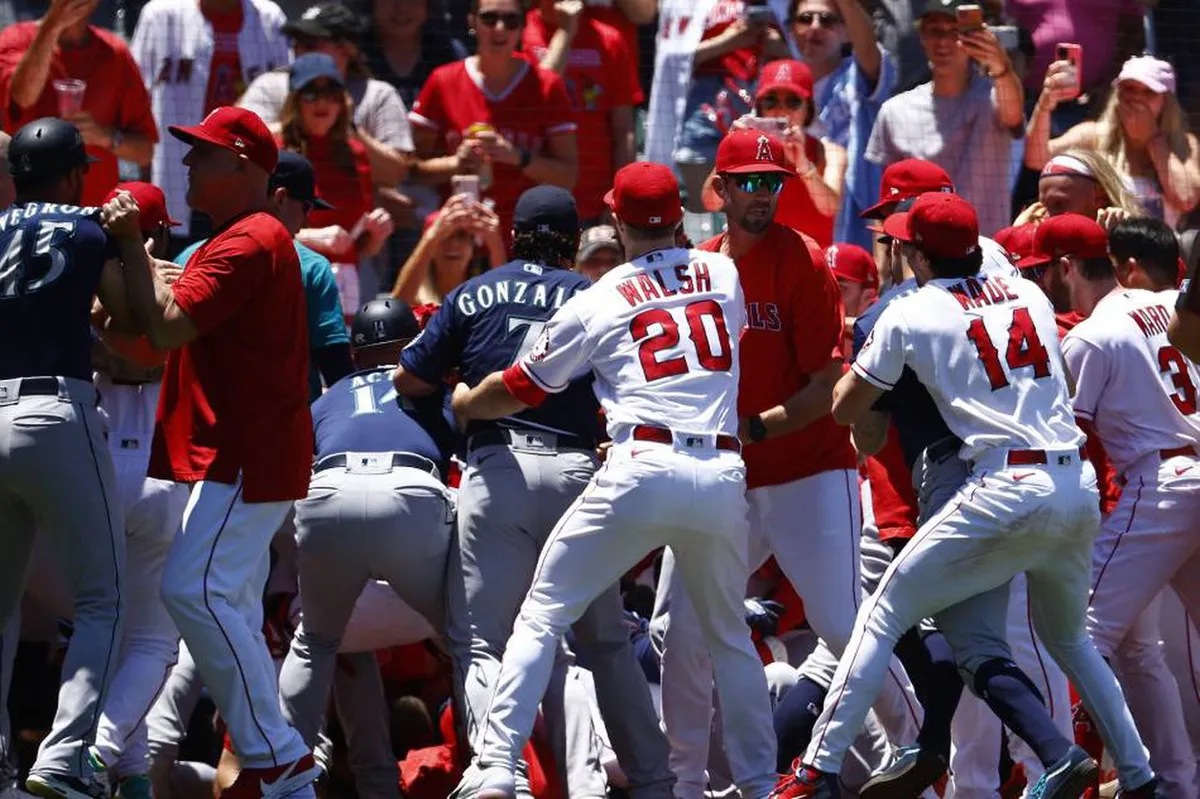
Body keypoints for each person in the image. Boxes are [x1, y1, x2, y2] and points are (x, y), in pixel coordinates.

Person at [770, 192, 1159, 799]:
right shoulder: (1027, 293)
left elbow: (847, 405)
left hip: (1001, 483)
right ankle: (1138, 776)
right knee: (1068, 641)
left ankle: (816, 767)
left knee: (880, 614)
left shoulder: (912, 310)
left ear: (916, 254)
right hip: (1072, 482)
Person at [447, 161, 779, 799]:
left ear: (617, 222)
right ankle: (761, 783)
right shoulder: (724, 273)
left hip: (640, 467)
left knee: (542, 615)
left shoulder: (597, 297)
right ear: (678, 218)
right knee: (728, 636)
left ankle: (494, 768)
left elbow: (520, 389)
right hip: (718, 472)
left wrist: (465, 403)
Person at [649, 129, 914, 798]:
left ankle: (922, 756)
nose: (762, 193)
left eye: (772, 181)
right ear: (722, 187)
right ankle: (683, 781)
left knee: (841, 625)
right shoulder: (703, 264)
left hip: (808, 470)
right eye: (749, 181)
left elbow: (828, 385)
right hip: (731, 478)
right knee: (681, 629)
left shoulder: (801, 260)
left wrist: (753, 428)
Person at [393, 184, 674, 799]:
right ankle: (655, 782)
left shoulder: (474, 291)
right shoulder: (599, 293)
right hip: (577, 477)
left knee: (484, 640)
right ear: (573, 242)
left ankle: (501, 775)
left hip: (496, 473)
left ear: (515, 235)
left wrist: (456, 399)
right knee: (602, 640)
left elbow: (410, 376)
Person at [106, 106, 320, 799]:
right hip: (251, 448)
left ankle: (279, 748)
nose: (189, 164)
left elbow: (165, 330)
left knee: (191, 590)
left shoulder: (248, 240)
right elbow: (155, 334)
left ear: (247, 168)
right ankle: (283, 762)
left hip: (248, 450)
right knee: (214, 593)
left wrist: (133, 251)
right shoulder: (245, 237)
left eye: (204, 154)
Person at [277, 298, 455, 799]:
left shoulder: (328, 398)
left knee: (316, 643)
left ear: (356, 355)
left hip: (328, 498)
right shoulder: (429, 387)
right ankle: (493, 769)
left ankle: (288, 775)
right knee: (469, 642)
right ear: (413, 345)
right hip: (409, 506)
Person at [0, 117, 131, 799]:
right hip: (56, 410)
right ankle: (65, 759)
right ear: (76, 170)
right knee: (104, 598)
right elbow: (135, 322)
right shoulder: (87, 225)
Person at [1053, 213, 1200, 799]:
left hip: (1158, 484)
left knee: (1077, 634)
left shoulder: (1090, 335)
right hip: (1190, 468)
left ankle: (1077, 774)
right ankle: (1176, 784)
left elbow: (1073, 441)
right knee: (1140, 650)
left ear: (1068, 268)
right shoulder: (1169, 302)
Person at [88, 182, 192, 799]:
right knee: (153, 637)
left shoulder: (79, 281)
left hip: (93, 455)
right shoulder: (175, 280)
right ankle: (97, 751)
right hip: (157, 460)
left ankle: (128, 771)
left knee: (101, 625)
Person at [175, 150, 354, 401]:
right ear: (280, 198)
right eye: (307, 207)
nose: (305, 222)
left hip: (200, 424)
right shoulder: (311, 266)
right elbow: (334, 361)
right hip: (280, 428)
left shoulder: (189, 258)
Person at [130, 0, 291, 248]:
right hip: (175, 173)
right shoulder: (161, 14)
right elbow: (137, 102)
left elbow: (286, 99)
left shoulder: (270, 18)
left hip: (242, 180)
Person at [409, 0, 579, 234]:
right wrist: (457, 162)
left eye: (511, 21)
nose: (500, 28)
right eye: (489, 18)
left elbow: (568, 176)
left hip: (525, 237)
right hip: (457, 240)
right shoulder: (443, 81)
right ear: (472, 22)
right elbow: (413, 171)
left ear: (522, 27)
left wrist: (517, 157)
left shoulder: (547, 86)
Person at [865, 0, 1024, 236]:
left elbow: (1013, 116)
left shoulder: (995, 95)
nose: (943, 42)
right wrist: (884, 265)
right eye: (935, 31)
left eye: (955, 32)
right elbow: (887, 202)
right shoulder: (895, 111)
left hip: (986, 255)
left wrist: (1000, 66)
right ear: (922, 37)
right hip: (922, 256)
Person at [238, 2, 413, 189]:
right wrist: (296, 125)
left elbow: (396, 174)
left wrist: (348, 128)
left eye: (310, 44)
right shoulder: (270, 85)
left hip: (353, 206)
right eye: (296, 43)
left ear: (347, 50)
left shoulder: (378, 95)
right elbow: (240, 147)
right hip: (283, 203)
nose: (299, 51)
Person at [0, 0, 157, 206]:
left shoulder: (115, 53)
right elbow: (23, 97)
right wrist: (53, 25)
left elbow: (145, 151)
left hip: (92, 215)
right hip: (26, 215)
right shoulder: (15, 38)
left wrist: (106, 136)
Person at [276, 53, 395, 317]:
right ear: (295, 101)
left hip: (344, 289)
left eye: (332, 92)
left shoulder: (355, 154)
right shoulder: (276, 150)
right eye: (311, 93)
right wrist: (310, 239)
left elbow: (362, 248)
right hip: (289, 280)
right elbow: (254, 226)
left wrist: (375, 235)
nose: (322, 102)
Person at [1027, 55, 1200, 227]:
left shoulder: (1184, 144)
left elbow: (1186, 199)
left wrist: (1153, 140)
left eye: (1148, 92)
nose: (1137, 98)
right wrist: (1045, 103)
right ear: (1117, 95)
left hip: (1162, 250)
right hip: (1107, 250)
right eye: (1129, 89)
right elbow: (1036, 159)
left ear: (1166, 101)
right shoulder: (1093, 136)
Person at [787, 0, 896, 247]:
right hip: (797, 226)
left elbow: (867, 46)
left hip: (854, 227)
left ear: (847, 32)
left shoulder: (858, 77)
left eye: (827, 20)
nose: (815, 27)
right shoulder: (779, 86)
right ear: (791, 30)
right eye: (805, 19)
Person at [523, 0, 639, 223]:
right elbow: (538, 99)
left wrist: (619, 197)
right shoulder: (519, 31)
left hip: (596, 204)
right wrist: (566, 32)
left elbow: (624, 129)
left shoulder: (610, 40)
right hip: (536, 202)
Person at [389, 193, 507, 306]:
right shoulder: (414, 292)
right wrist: (431, 237)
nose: (453, 243)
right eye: (444, 237)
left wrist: (495, 244)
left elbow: (507, 303)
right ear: (429, 248)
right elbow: (397, 309)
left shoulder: (485, 293)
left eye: (461, 235)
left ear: (472, 247)